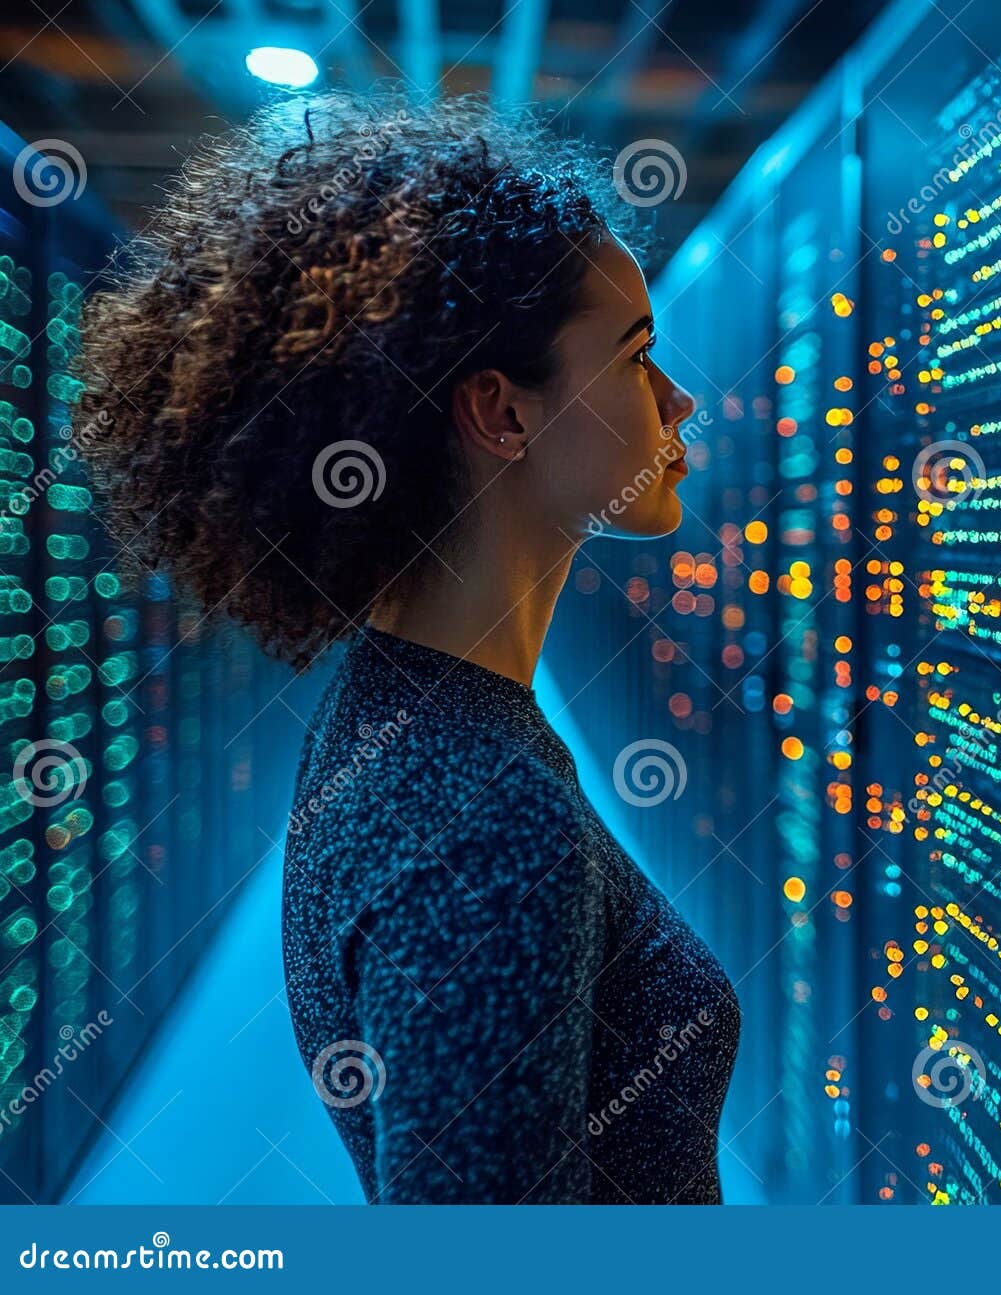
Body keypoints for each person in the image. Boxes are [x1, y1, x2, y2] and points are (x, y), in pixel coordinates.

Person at [75, 89, 741, 1204]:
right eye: (634, 357)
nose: (679, 401)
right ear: (504, 413)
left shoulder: (413, 710)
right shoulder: (482, 818)